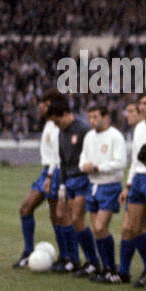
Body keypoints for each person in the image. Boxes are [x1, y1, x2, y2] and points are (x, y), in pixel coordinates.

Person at [47, 98, 96, 276]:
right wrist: (61, 184)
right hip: (69, 180)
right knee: (60, 215)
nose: (56, 125)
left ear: (66, 114)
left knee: (76, 219)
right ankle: (72, 259)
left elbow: (93, 152)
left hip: (83, 179)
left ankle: (92, 261)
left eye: (57, 121)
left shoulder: (83, 129)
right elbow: (63, 161)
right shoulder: (62, 133)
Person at [79, 105, 128, 283]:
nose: (91, 121)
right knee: (97, 230)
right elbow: (83, 157)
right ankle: (105, 267)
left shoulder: (115, 136)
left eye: (95, 117)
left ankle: (111, 268)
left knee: (100, 227)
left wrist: (99, 168)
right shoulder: (89, 136)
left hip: (109, 186)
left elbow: (121, 162)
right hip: (92, 185)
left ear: (106, 117)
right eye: (89, 117)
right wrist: (83, 166)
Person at [12, 94, 60, 269]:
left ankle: (68, 258)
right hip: (46, 170)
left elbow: (58, 154)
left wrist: (50, 175)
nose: (41, 108)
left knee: (57, 217)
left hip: (55, 171)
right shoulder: (48, 123)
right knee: (26, 208)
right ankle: (28, 251)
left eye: (44, 104)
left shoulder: (58, 125)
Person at [120, 98, 146, 286]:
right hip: (138, 179)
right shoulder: (138, 129)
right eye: (140, 104)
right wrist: (128, 185)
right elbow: (136, 161)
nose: (141, 107)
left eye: (145, 103)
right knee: (134, 228)